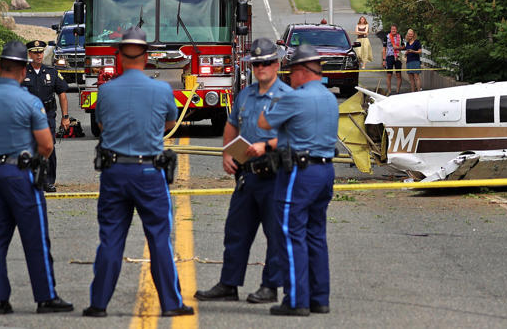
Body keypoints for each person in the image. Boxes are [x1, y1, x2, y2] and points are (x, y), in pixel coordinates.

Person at [83, 27, 194, 318]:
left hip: (115, 170)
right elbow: (170, 124)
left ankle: (98, 304)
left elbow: (103, 127)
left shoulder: (105, 91)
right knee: (158, 238)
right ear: (147, 57)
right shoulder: (161, 90)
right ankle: (171, 303)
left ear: (119, 56)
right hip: (148, 170)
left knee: (111, 238)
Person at [0, 40, 74, 315]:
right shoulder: (29, 101)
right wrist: (36, 163)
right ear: (23, 70)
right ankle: (45, 296)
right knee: (35, 237)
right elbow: (46, 144)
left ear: (0, 67)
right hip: (19, 174)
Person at [195, 38, 292, 304]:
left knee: (275, 233)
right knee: (235, 231)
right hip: (247, 176)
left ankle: (270, 286)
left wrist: (267, 145)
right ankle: (228, 284)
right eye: (257, 63)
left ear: (277, 63)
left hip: (275, 173)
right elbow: (231, 125)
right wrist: (227, 152)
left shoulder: (287, 97)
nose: (261, 67)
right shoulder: (246, 95)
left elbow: (296, 136)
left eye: (267, 62)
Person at [257, 44, 338, 316]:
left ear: (303, 71)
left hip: (299, 173)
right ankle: (319, 297)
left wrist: (272, 98)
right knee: (316, 234)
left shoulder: (294, 98)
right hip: (325, 171)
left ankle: (296, 299)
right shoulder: (329, 97)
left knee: (291, 235)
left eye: (291, 72)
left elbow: (264, 123)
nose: (289, 78)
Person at [22, 40, 69, 193]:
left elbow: (62, 94)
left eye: (41, 52)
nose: (39, 55)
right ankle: (30, 180)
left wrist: (65, 116)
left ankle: (48, 181)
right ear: (30, 54)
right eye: (35, 52)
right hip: (28, 116)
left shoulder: (52, 72)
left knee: (49, 147)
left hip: (47, 115)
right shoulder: (22, 73)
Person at [381, 24, 403, 95]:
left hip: (398, 57)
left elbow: (403, 46)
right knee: (389, 75)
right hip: (389, 56)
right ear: (390, 30)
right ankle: (389, 91)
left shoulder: (400, 36)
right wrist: (384, 60)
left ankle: (397, 91)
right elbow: (384, 49)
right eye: (392, 29)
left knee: (398, 75)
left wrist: (398, 48)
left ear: (396, 30)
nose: (393, 30)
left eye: (395, 29)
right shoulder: (387, 37)